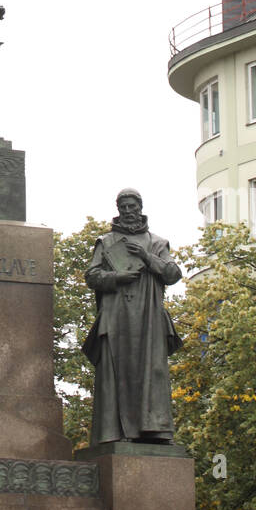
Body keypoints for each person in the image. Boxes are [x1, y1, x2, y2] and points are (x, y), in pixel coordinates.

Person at [82, 189, 183, 446]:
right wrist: (117, 278)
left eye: (132, 206)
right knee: (115, 373)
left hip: (148, 320)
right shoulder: (106, 242)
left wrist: (146, 257)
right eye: (123, 207)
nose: (128, 211)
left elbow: (173, 274)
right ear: (118, 209)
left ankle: (154, 431)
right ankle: (113, 432)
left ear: (140, 207)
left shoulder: (157, 242)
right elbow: (91, 276)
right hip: (116, 319)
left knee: (152, 372)